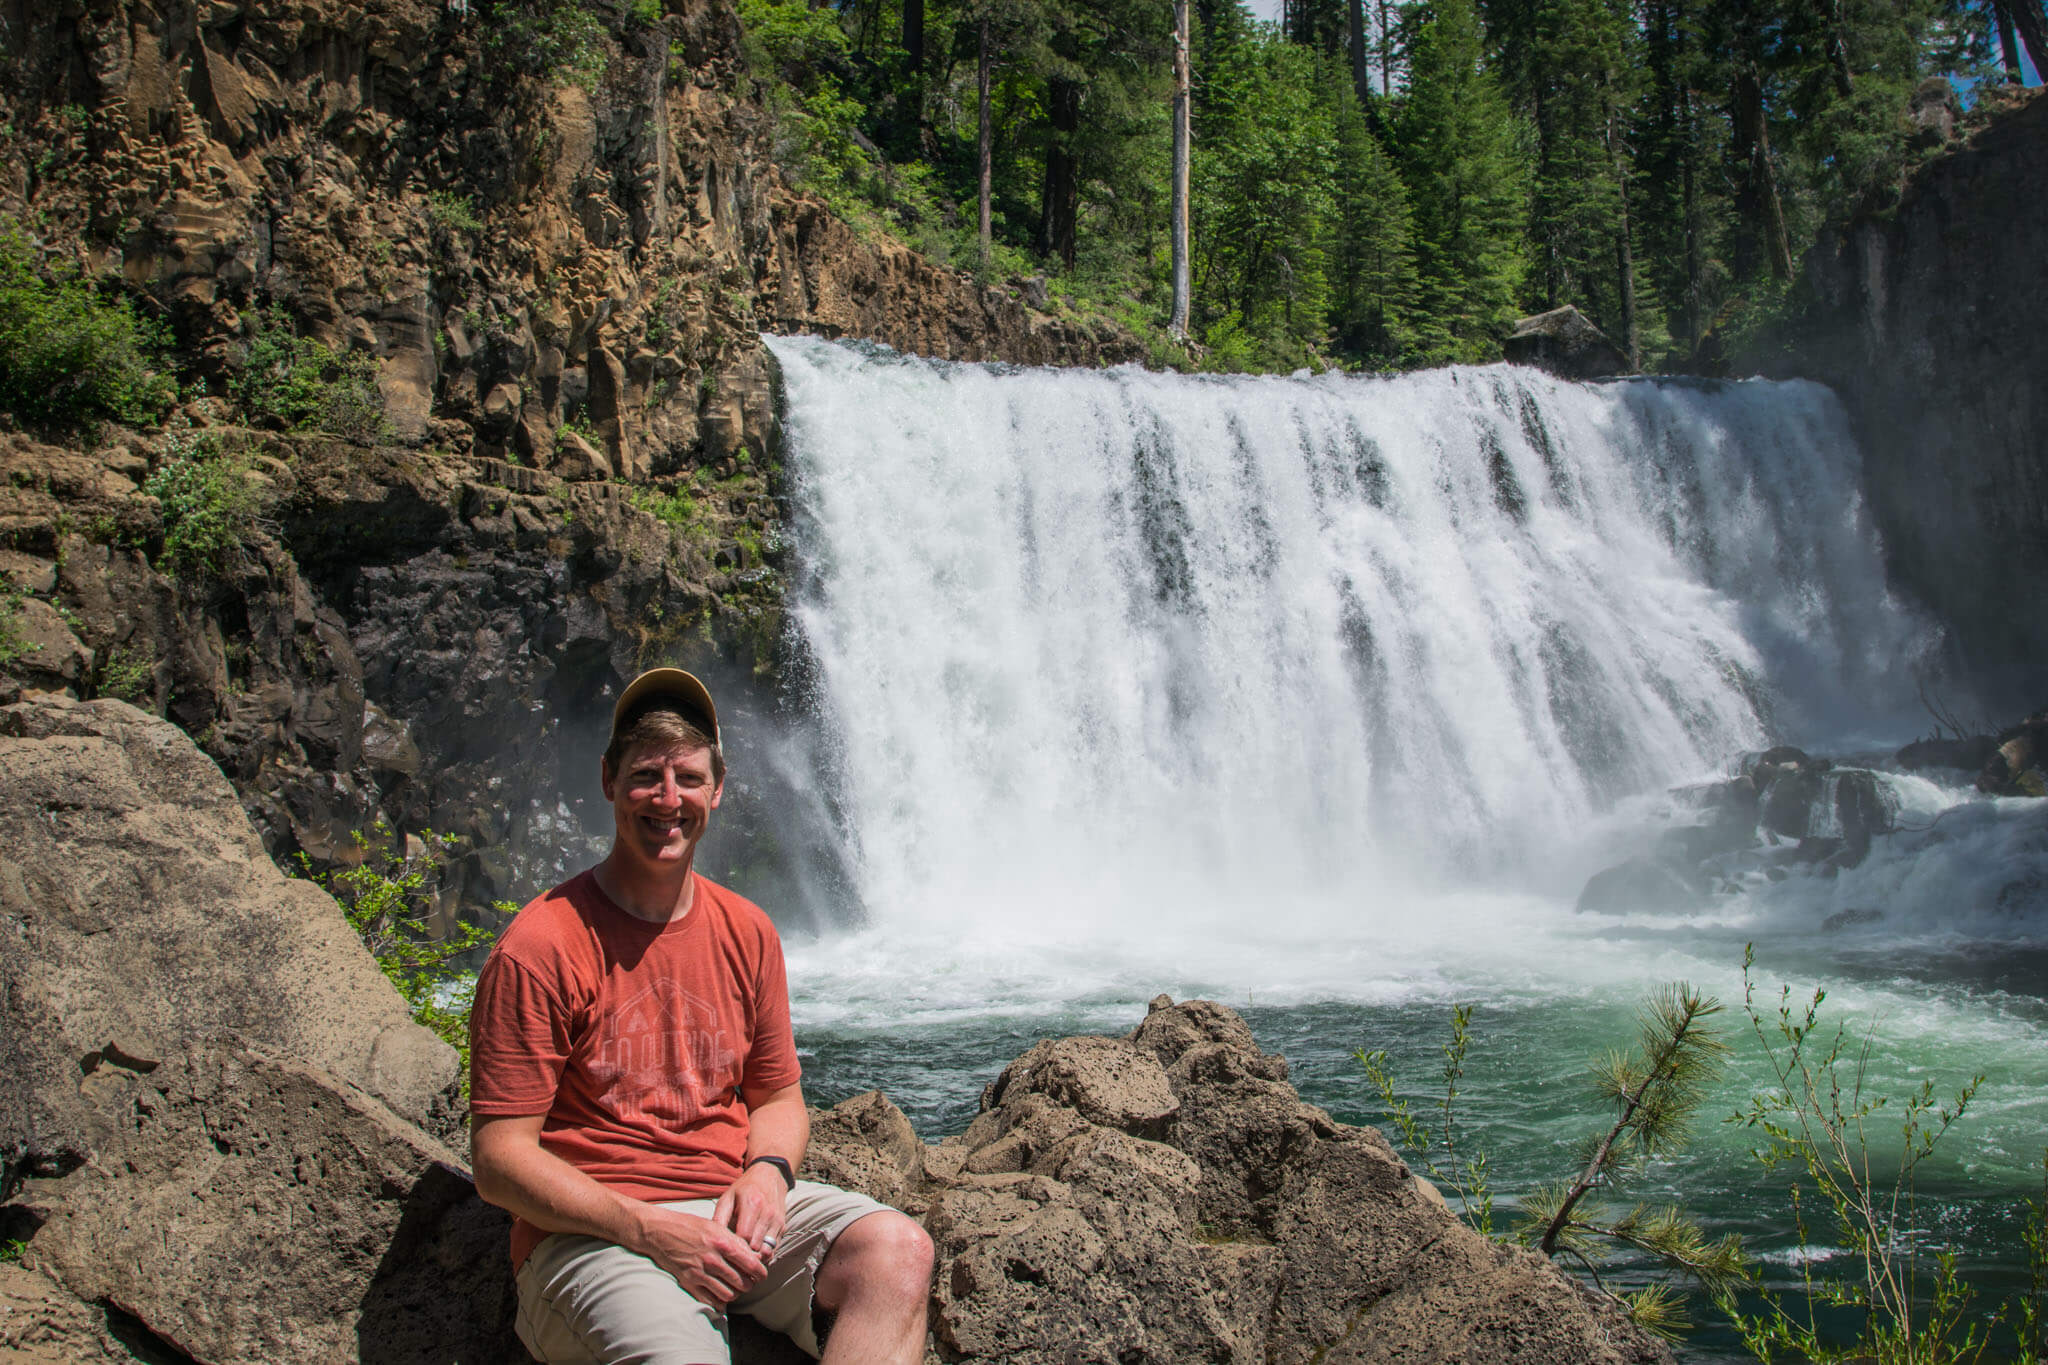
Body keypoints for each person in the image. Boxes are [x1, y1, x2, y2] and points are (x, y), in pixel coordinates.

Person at [469, 667, 933, 1365]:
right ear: (608, 780)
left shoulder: (747, 931)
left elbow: (777, 1098)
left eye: (687, 777)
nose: (668, 798)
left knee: (898, 1252)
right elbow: (499, 1160)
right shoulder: (541, 945)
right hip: (591, 1238)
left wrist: (768, 1173)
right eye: (645, 776)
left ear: (716, 787)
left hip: (729, 1215)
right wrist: (648, 1229)